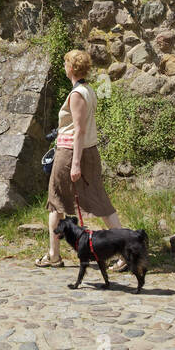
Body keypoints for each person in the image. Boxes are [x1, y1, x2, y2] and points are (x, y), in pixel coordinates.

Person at [34, 49, 125, 268]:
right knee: (100, 202)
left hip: (71, 153)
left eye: (66, 63)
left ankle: (54, 256)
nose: (64, 67)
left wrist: (75, 163)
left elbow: (79, 130)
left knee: (55, 202)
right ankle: (125, 250)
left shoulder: (76, 94)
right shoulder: (88, 90)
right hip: (88, 152)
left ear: (72, 68)